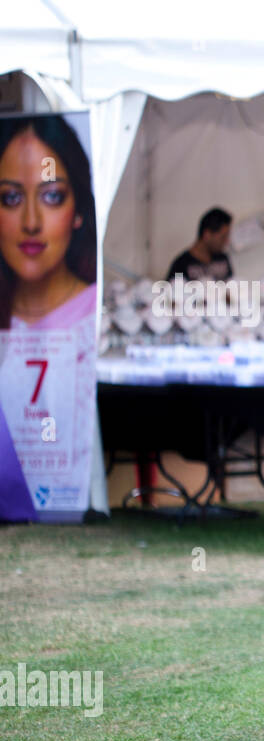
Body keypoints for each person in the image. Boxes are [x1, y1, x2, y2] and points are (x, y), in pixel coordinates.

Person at [0, 115, 98, 522]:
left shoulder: (95, 316)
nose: (32, 224)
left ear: (78, 210)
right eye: (10, 198)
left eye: (52, 196)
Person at [167, 208, 233, 282]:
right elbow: (172, 291)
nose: (227, 241)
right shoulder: (181, 264)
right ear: (207, 235)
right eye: (223, 237)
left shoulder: (222, 259)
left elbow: (232, 287)